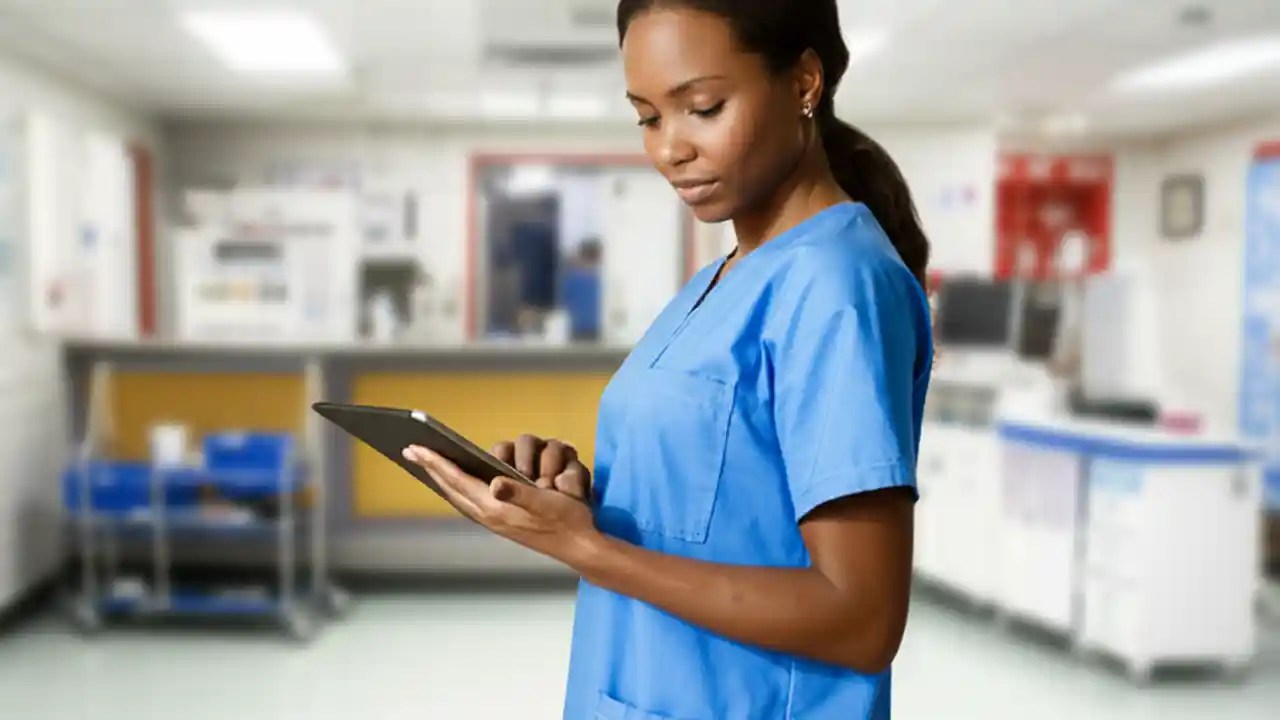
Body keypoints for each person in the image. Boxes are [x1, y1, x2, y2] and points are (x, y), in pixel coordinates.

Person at [402, 1, 933, 717]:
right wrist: (577, 502)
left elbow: (861, 620)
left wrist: (587, 550)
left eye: (703, 108)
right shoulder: (726, 278)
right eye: (647, 117)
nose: (668, 149)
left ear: (805, 81)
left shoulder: (836, 287)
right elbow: (717, 507)